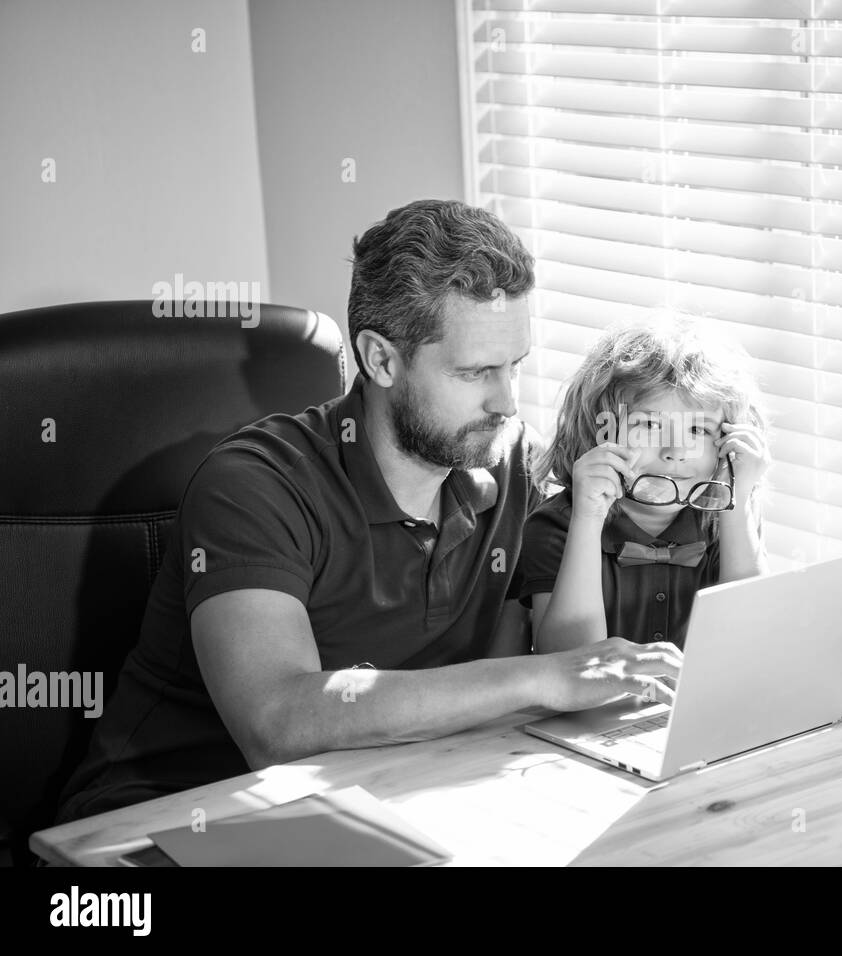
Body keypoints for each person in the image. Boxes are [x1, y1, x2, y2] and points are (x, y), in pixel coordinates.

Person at [56, 200, 681, 822]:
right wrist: (541, 679)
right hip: (167, 821)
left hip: (371, 802)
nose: (507, 402)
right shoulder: (252, 486)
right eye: (475, 373)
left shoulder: (510, 462)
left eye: (514, 366)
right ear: (381, 359)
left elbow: (585, 615)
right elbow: (276, 722)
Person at [520, 318, 771, 654]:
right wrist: (588, 518)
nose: (675, 453)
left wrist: (736, 504)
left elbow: (753, 647)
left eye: (698, 431)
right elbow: (567, 663)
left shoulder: (725, 521)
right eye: (650, 425)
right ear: (599, 433)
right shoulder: (558, 527)